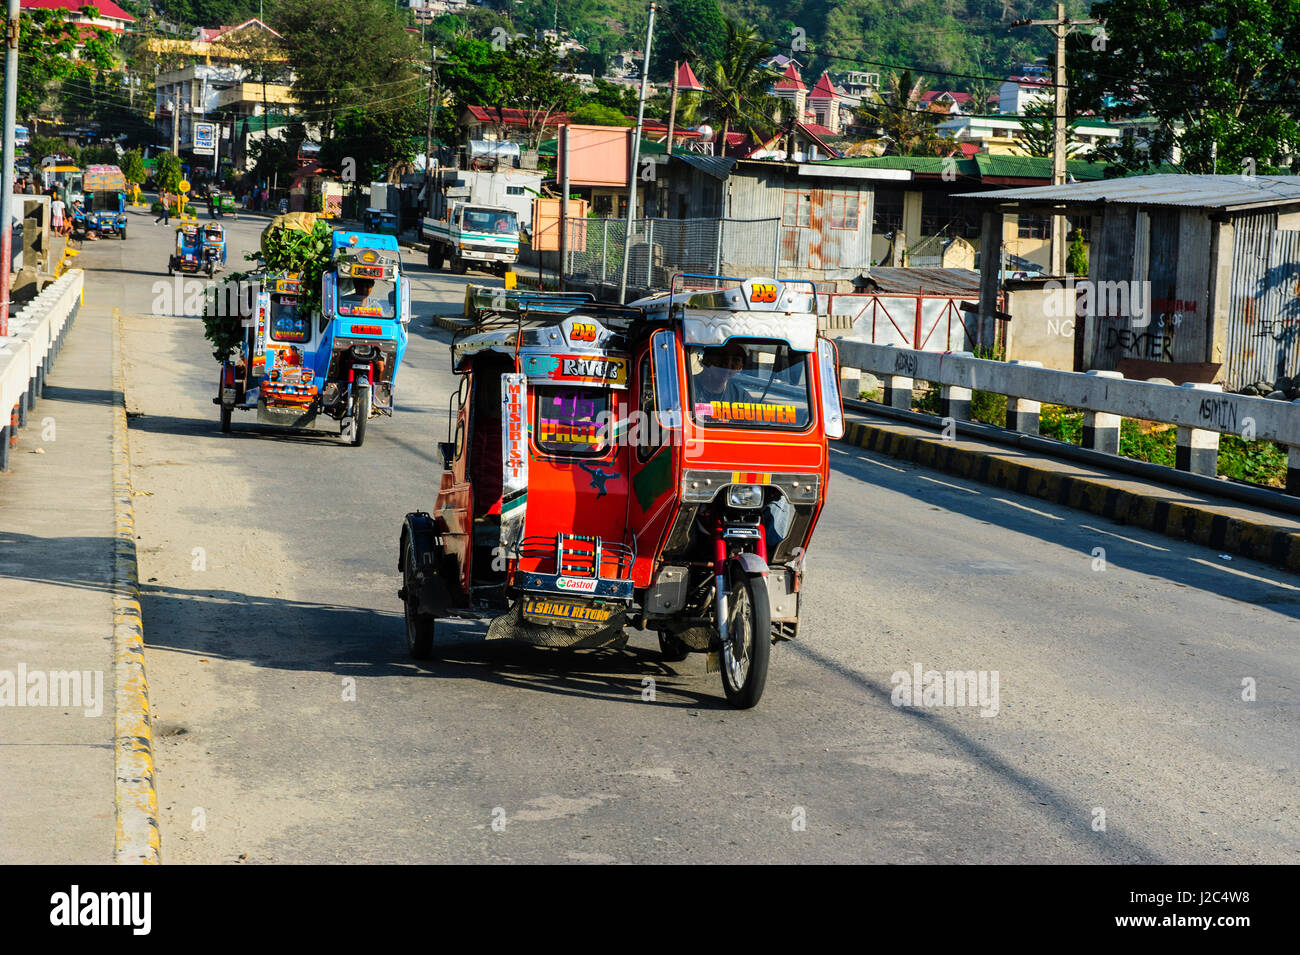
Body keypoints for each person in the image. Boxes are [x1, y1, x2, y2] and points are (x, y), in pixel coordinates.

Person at [692, 340, 748, 405]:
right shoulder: (685, 387)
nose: (728, 365)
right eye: (722, 356)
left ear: (740, 368)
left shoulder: (741, 398)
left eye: (736, 360)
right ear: (706, 360)